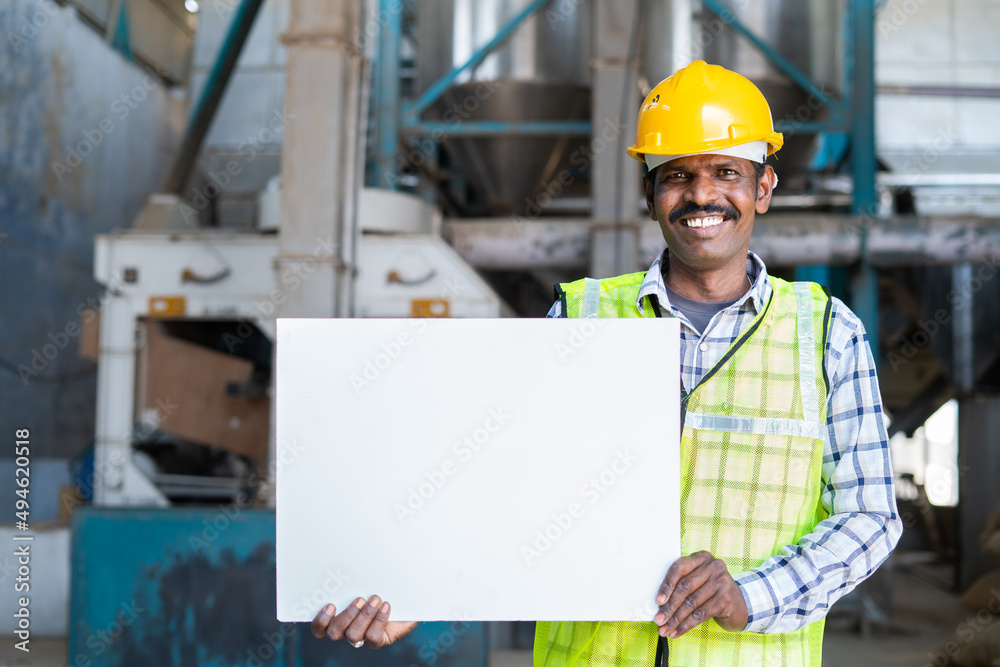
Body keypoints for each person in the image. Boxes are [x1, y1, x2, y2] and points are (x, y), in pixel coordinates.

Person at [310, 60, 901, 666]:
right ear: (650, 195)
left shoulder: (826, 333)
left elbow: (870, 516)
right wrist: (418, 594)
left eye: (726, 172)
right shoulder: (580, 318)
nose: (701, 195)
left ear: (763, 188)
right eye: (676, 176)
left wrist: (749, 595)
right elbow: (504, 481)